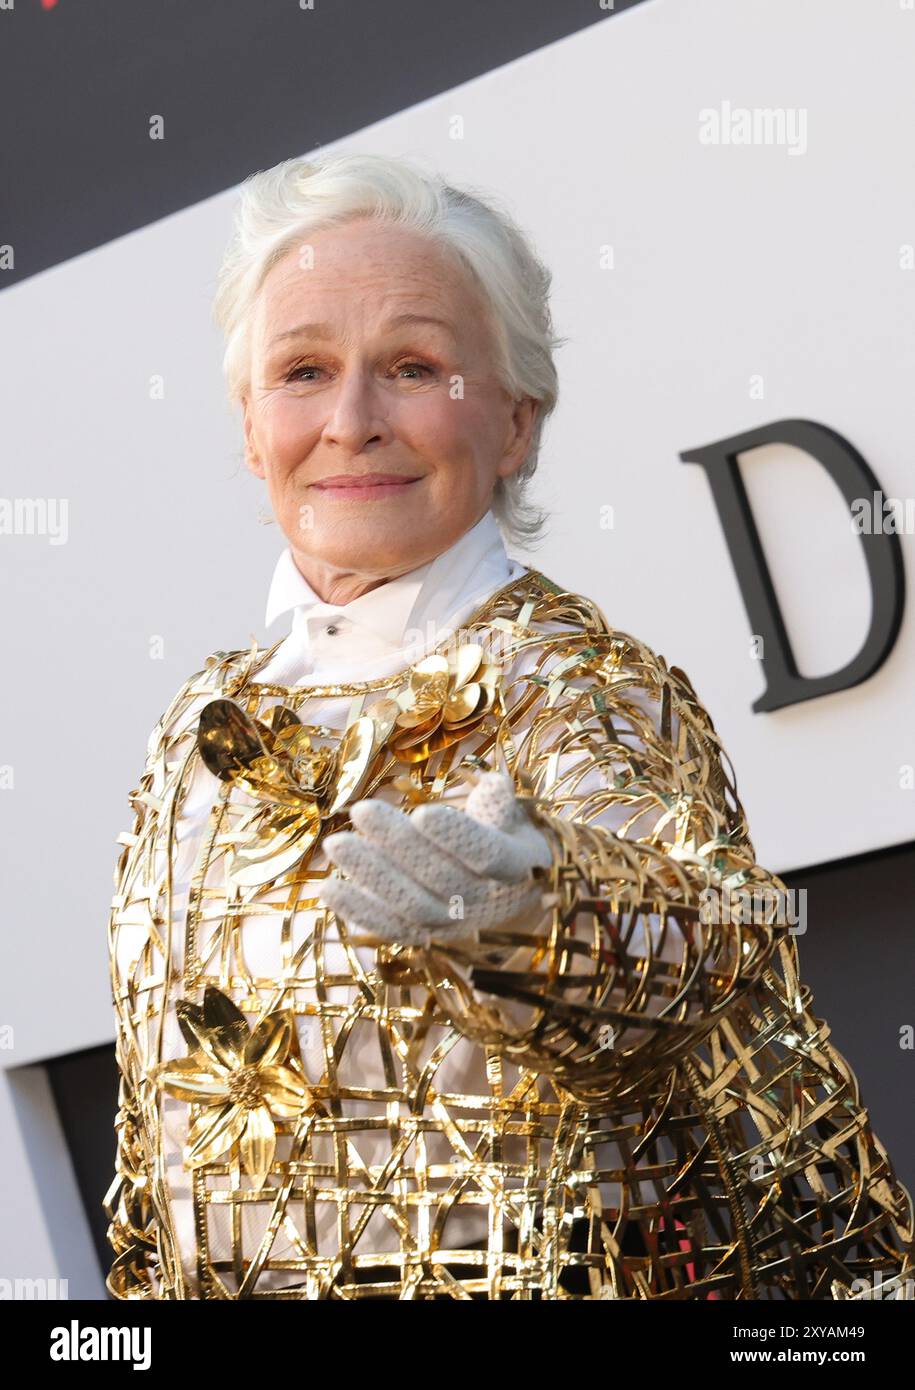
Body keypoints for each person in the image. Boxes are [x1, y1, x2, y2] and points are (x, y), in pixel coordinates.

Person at [104, 150, 914, 1300]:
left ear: (518, 422)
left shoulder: (574, 678)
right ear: (248, 426)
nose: (351, 420)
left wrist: (537, 913)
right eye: (302, 371)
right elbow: (159, 1138)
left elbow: (714, 931)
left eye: (413, 367)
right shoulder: (197, 727)